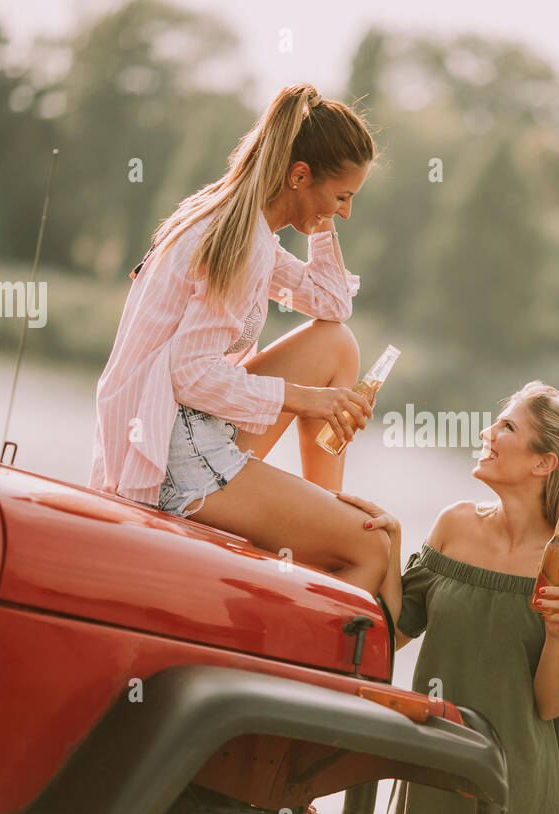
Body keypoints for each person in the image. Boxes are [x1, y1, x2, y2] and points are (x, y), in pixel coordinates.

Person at [89, 83, 389, 594]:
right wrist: (307, 401)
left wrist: (319, 217)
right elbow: (189, 374)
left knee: (337, 342)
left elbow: (332, 304)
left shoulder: (249, 226)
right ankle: (310, 613)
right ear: (299, 175)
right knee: (370, 547)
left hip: (188, 423)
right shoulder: (244, 241)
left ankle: (324, 510)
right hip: (171, 452)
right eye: (342, 197)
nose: (346, 213)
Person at [339, 382, 559, 814]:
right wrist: (391, 549)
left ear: (544, 463)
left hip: (517, 791)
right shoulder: (454, 525)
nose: (487, 432)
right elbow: (392, 633)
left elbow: (550, 706)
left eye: (507, 427)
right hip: (434, 769)